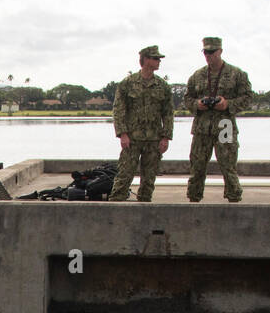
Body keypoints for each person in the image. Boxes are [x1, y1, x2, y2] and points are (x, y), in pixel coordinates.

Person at [183, 37, 252, 202]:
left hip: (225, 125)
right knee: (197, 166)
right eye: (205, 52)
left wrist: (228, 104)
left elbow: (248, 98)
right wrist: (197, 104)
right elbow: (187, 99)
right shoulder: (197, 76)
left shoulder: (236, 74)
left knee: (228, 165)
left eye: (212, 52)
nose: (208, 55)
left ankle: (234, 197)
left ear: (220, 51)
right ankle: (194, 198)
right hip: (202, 127)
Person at [108, 45, 174, 202]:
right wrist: (122, 134)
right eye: (155, 58)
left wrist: (166, 138)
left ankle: (145, 212)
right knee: (124, 176)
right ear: (145, 60)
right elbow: (118, 111)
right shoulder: (127, 84)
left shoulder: (162, 86)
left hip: (154, 140)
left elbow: (168, 113)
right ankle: (115, 211)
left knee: (149, 181)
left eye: (159, 58)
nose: (159, 61)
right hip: (132, 139)